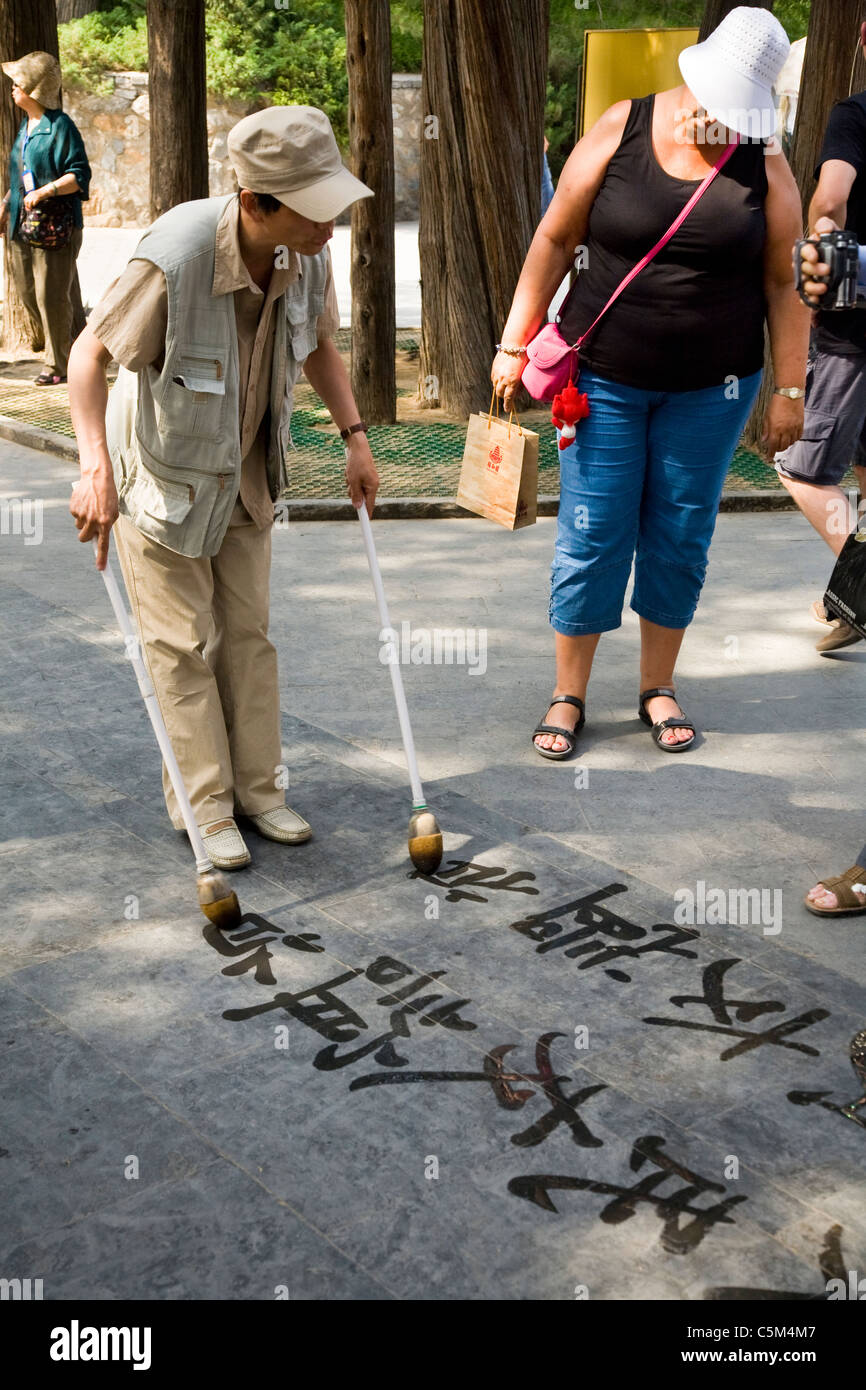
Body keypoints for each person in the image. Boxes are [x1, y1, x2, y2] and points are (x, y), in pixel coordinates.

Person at [67, 106, 379, 870]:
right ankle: (205, 804)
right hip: (163, 482)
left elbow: (320, 349)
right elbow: (86, 357)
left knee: (249, 637)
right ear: (255, 204)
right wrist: (94, 468)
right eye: (313, 210)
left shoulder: (306, 254)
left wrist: (355, 438)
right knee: (178, 648)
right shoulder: (173, 254)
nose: (328, 226)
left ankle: (260, 791)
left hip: (246, 477)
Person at [491, 7, 809, 759]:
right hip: (602, 380)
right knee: (595, 530)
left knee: (680, 533)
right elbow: (555, 236)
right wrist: (513, 340)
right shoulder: (622, 127)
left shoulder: (764, 162)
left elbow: (783, 286)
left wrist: (789, 392)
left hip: (714, 388)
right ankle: (569, 692)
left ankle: (656, 686)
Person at [776, 19, 866, 654]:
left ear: (861, 38)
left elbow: (830, 198)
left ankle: (863, 583)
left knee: (801, 468)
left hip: (853, 326)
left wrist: (823, 241)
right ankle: (849, 599)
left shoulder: (854, 116)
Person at [0, 51, 90, 385]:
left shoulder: (60, 127)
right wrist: (5, 207)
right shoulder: (26, 127)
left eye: (17, 84)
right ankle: (70, 350)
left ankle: (58, 367)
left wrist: (46, 191)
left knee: (52, 298)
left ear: (32, 89)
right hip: (21, 226)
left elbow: (78, 176)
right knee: (27, 293)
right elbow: (20, 177)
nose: (12, 89)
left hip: (55, 228)